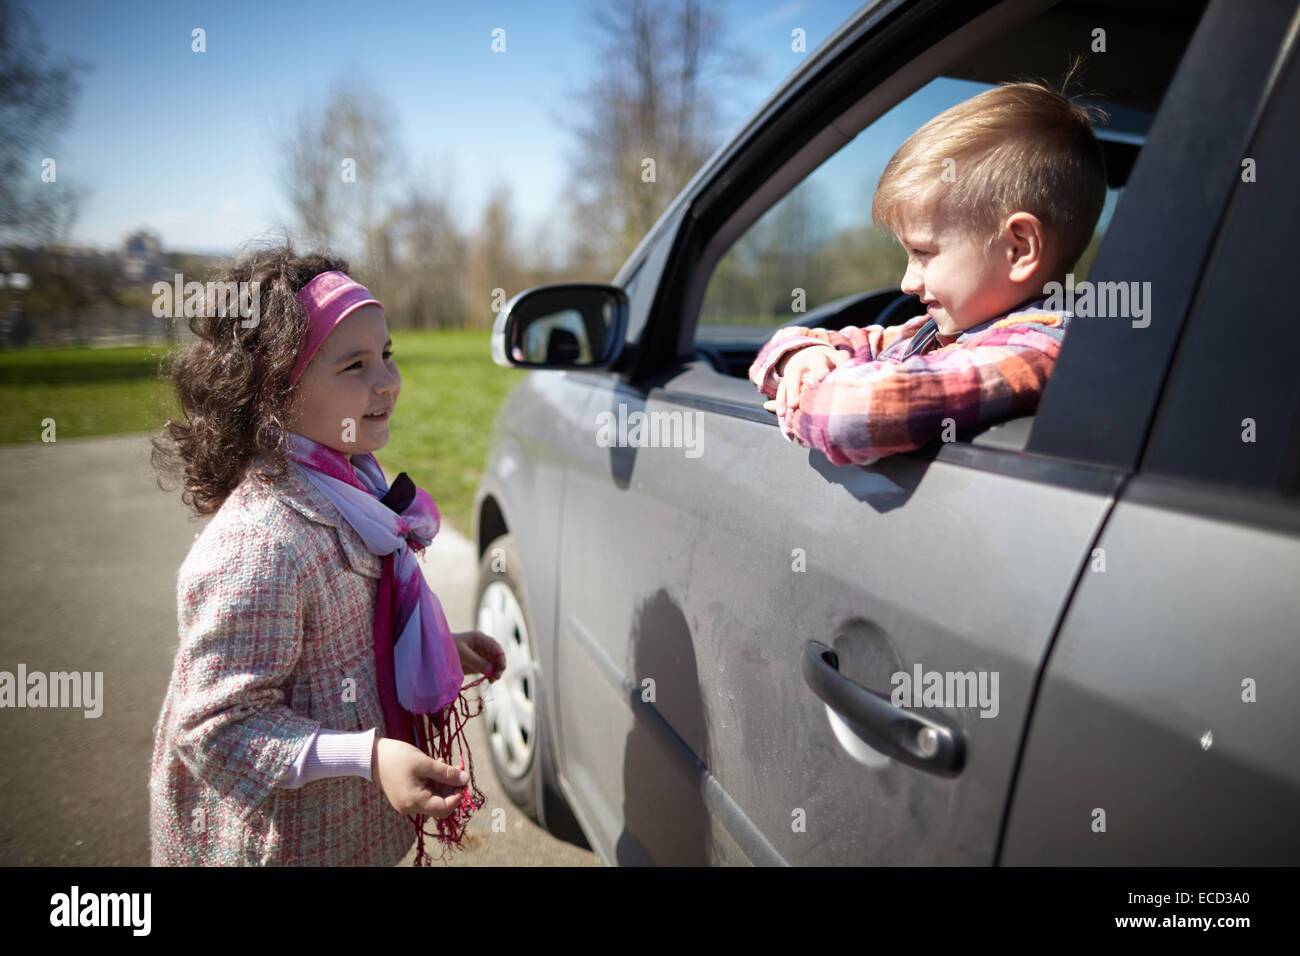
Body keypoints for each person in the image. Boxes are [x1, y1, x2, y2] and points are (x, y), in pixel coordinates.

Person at [148, 245, 506, 866]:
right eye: (355, 365)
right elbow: (217, 727)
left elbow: (348, 636)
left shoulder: (350, 486)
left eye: (387, 355)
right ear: (275, 391)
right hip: (277, 846)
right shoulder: (260, 545)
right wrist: (368, 756)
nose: (387, 380)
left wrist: (440, 643)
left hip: (349, 834)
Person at [748, 80, 1108, 465]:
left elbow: (847, 416)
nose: (907, 283)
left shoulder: (1037, 349)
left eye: (923, 252)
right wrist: (807, 357)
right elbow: (795, 342)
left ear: (1018, 249)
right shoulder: (931, 331)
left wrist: (800, 395)